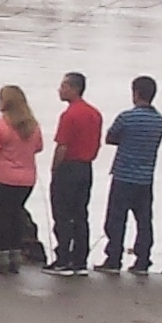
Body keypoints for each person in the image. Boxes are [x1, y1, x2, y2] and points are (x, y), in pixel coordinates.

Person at [101, 76, 162, 277]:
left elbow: (110, 137)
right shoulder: (159, 120)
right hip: (145, 178)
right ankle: (142, 260)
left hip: (123, 176)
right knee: (144, 220)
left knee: (116, 220)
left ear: (136, 93)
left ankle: (114, 258)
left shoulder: (126, 117)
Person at [0, 83, 45, 272]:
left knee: (2, 217)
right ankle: (16, 256)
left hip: (2, 177)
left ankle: (3, 257)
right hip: (26, 179)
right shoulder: (33, 126)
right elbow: (39, 147)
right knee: (16, 215)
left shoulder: (0, 124)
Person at [49, 72, 103, 277]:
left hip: (69, 166)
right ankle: (80, 260)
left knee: (62, 214)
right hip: (86, 167)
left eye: (63, 86)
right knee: (80, 214)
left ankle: (63, 258)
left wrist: (54, 168)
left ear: (73, 88)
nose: (60, 90)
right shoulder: (95, 113)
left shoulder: (69, 115)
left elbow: (62, 145)